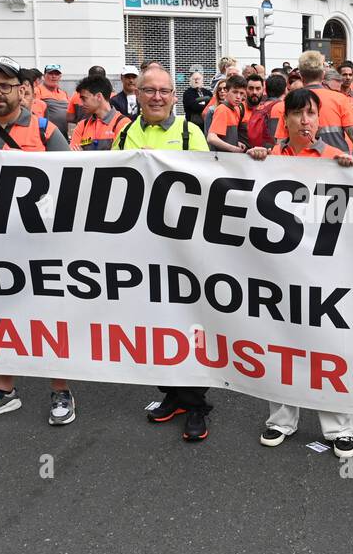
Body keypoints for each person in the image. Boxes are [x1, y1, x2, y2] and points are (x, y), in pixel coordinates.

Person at [0, 57, 75, 427]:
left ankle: (61, 390)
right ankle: (4, 391)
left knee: (50, 318)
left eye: (4, 86)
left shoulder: (44, 130)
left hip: (42, 245)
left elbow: (74, 181)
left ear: (21, 90)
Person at [246, 88, 353, 457]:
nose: (305, 120)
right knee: (281, 343)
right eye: (298, 114)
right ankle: (280, 420)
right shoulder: (269, 158)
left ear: (319, 118)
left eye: (311, 113)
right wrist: (252, 162)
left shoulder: (334, 159)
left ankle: (340, 427)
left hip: (324, 272)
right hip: (279, 271)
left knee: (330, 345)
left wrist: (350, 173)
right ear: (286, 118)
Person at [112, 65, 214, 441]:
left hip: (184, 247)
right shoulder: (124, 133)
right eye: (149, 90)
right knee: (156, 324)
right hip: (142, 246)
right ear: (136, 94)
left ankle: (197, 402)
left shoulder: (191, 133)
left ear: (175, 96)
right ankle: (172, 395)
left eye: (164, 91)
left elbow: (209, 187)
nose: (156, 97)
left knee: (190, 322)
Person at [69, 74, 131, 150]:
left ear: (99, 97)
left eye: (84, 99)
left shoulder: (123, 124)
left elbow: (123, 158)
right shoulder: (82, 126)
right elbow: (72, 157)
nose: (81, 104)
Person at [207, 74, 249, 153]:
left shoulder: (236, 108)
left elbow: (228, 137)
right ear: (226, 91)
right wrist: (233, 148)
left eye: (241, 93)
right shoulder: (222, 109)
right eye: (235, 92)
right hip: (221, 160)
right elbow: (211, 138)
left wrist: (236, 143)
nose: (238, 96)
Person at [31, 63, 72, 131]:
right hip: (46, 133)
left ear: (60, 76)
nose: (54, 76)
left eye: (56, 74)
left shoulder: (63, 93)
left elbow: (71, 114)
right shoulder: (37, 90)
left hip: (63, 133)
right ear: (44, 76)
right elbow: (35, 115)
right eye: (50, 73)